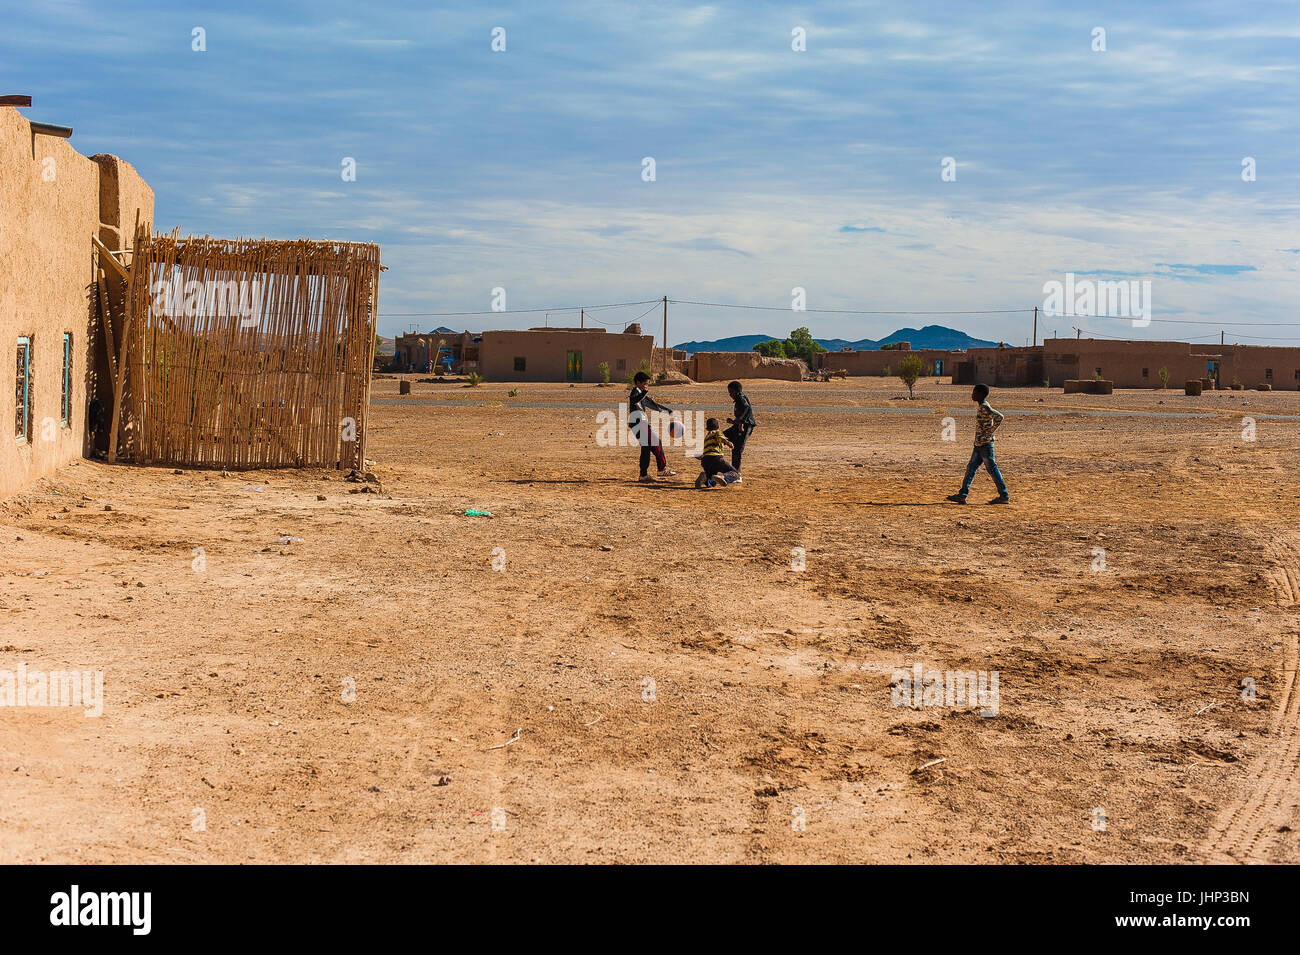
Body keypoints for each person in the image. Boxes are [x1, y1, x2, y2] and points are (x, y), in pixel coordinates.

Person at [947, 383, 1009, 504]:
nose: (972, 394)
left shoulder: (984, 407)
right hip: (979, 445)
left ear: (980, 394)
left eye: (974, 392)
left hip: (985, 445)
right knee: (971, 468)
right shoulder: (982, 406)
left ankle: (1004, 496)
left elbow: (999, 416)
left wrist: (990, 432)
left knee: (992, 469)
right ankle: (962, 495)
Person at [627, 371, 677, 482]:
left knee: (646, 448)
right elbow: (634, 400)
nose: (647, 385)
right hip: (639, 423)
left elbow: (653, 404)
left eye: (647, 383)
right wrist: (644, 392)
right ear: (638, 382)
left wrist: (667, 411)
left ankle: (643, 475)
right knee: (656, 442)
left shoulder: (641, 393)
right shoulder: (636, 391)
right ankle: (661, 469)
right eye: (645, 383)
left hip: (639, 423)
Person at [695, 418, 742, 488]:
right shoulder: (717, 432)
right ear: (718, 427)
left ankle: (705, 477)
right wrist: (728, 443)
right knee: (735, 474)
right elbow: (721, 437)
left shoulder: (707, 437)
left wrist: (701, 457)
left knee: (712, 482)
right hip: (716, 459)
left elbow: (706, 451)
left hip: (705, 461)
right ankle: (722, 477)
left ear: (707, 429)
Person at [724, 380, 756, 473]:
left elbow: (747, 408)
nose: (730, 394)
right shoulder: (739, 399)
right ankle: (710, 455)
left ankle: (736, 474)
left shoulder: (741, 398)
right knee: (721, 436)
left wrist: (741, 422)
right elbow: (743, 412)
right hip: (739, 425)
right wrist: (734, 422)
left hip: (745, 427)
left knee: (737, 450)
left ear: (736, 391)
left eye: (731, 392)